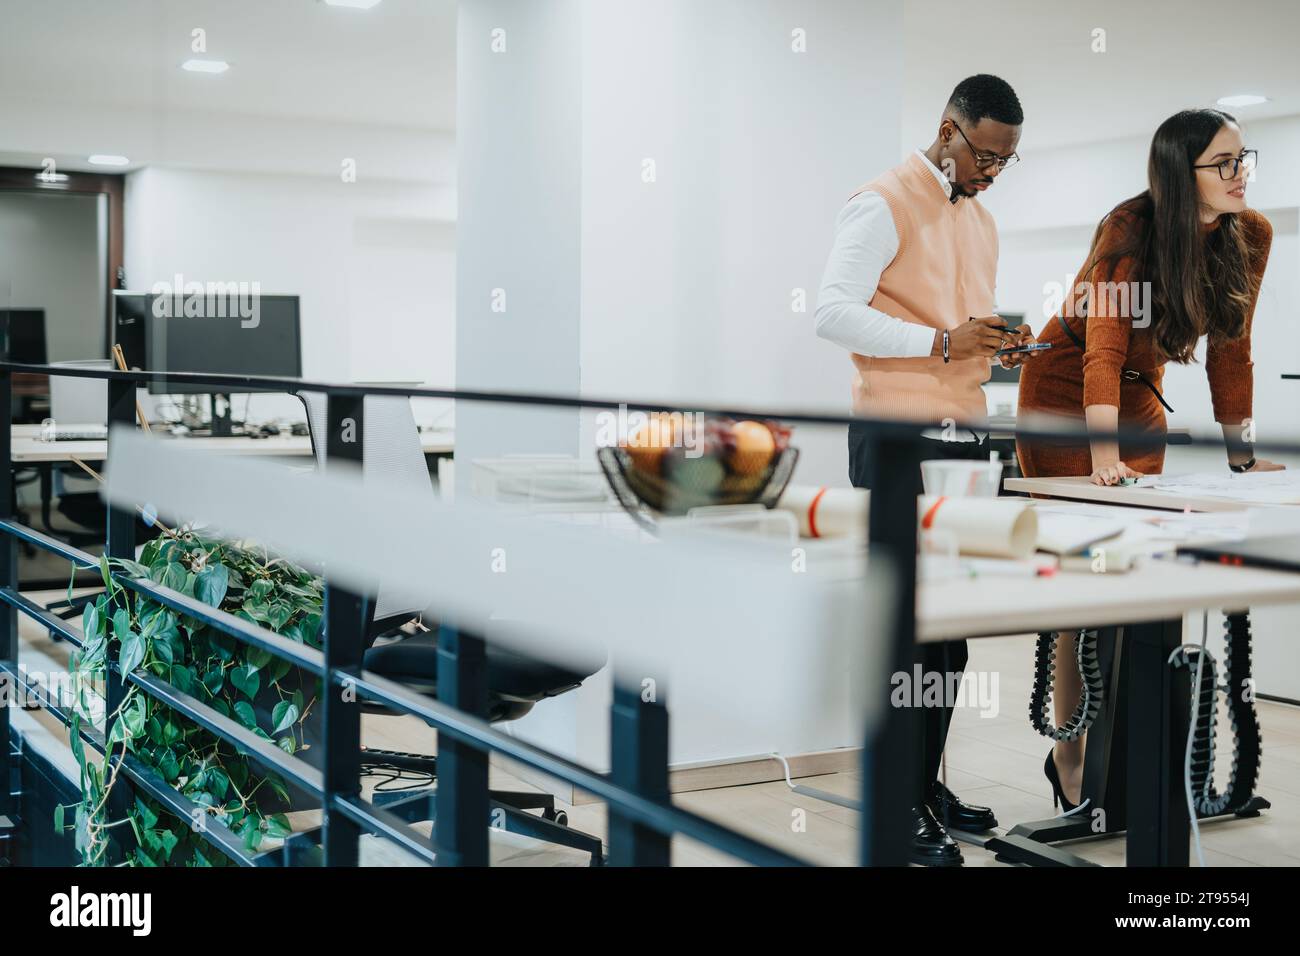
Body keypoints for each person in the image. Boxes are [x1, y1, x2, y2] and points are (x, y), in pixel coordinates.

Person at [1016, 108, 1279, 812]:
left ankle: (1135, 761)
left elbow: (1232, 350)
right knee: (1083, 580)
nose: (1241, 174)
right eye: (1224, 163)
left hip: (1139, 398)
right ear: (1179, 173)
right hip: (1064, 392)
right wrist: (1103, 461)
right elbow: (1102, 349)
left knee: (1132, 573)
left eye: (1243, 158)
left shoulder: (1251, 234)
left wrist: (1243, 456)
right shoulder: (1128, 228)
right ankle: (1071, 760)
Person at [816, 74, 1036, 866]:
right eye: (985, 156)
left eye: (1006, 161)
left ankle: (922, 787)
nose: (992, 172)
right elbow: (831, 312)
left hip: (963, 440)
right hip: (897, 440)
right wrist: (943, 342)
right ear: (948, 131)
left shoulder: (982, 219)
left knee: (950, 639)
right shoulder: (881, 202)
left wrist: (995, 343)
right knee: (907, 637)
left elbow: (959, 324)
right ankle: (898, 805)